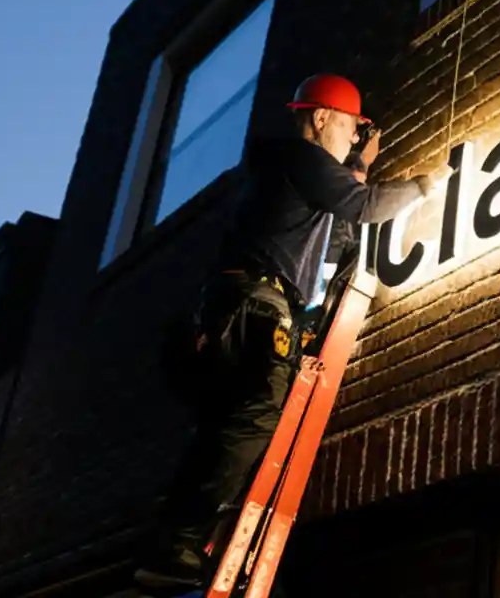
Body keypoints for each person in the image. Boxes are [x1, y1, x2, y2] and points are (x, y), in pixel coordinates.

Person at [135, 74, 433, 592]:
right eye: (348, 129)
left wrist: (360, 165)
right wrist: (428, 185)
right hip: (256, 307)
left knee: (223, 427)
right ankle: (184, 537)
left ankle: (177, 541)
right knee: (258, 412)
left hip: (230, 308)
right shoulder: (300, 157)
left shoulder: (291, 174)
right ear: (321, 118)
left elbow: (339, 221)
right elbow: (360, 207)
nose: (351, 141)